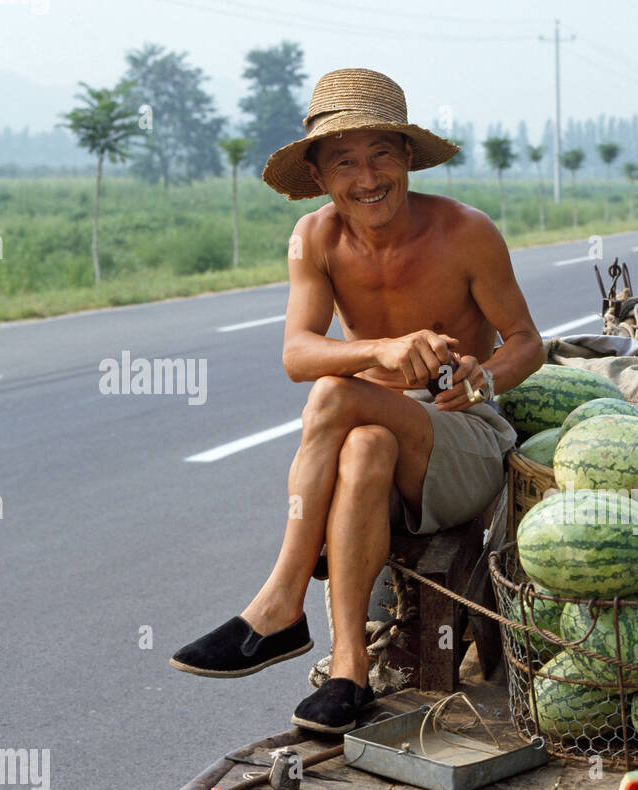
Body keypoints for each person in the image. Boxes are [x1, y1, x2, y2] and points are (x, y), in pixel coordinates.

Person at [170, 68, 543, 733]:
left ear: (406, 158)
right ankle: (349, 673)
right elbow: (296, 353)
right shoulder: (315, 239)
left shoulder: (466, 232)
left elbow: (526, 343)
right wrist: (382, 351)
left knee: (334, 396)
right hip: (377, 439)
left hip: (465, 443)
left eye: (381, 155)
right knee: (361, 436)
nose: (367, 177)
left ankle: (282, 601)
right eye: (345, 161)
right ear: (318, 176)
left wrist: (480, 376)